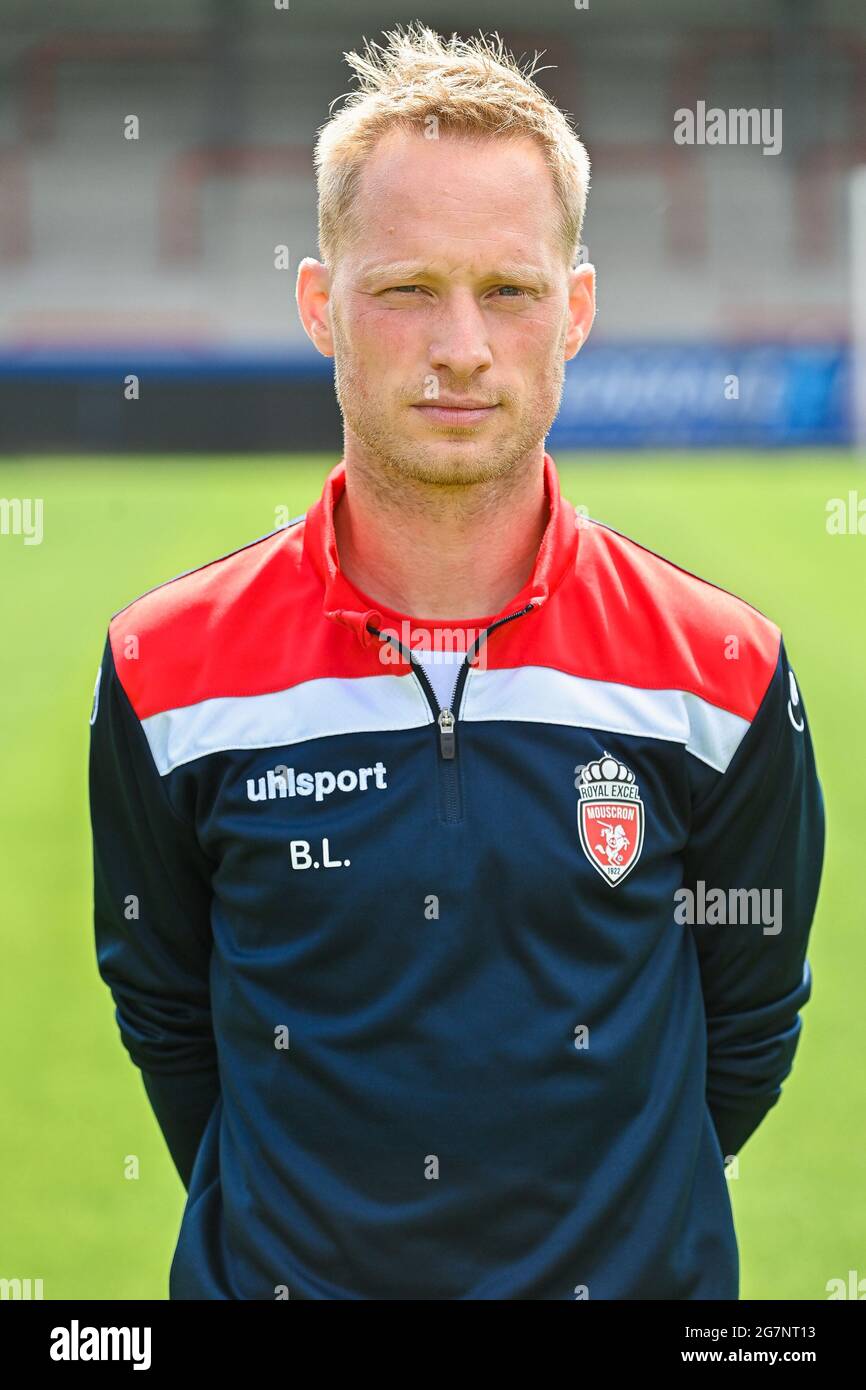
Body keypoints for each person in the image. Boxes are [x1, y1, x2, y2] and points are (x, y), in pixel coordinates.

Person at [88, 23, 825, 1300]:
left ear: (575, 312)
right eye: (407, 289)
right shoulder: (168, 668)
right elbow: (165, 1010)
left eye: (508, 290)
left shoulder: (720, 670)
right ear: (321, 305)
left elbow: (747, 1028)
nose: (462, 347)